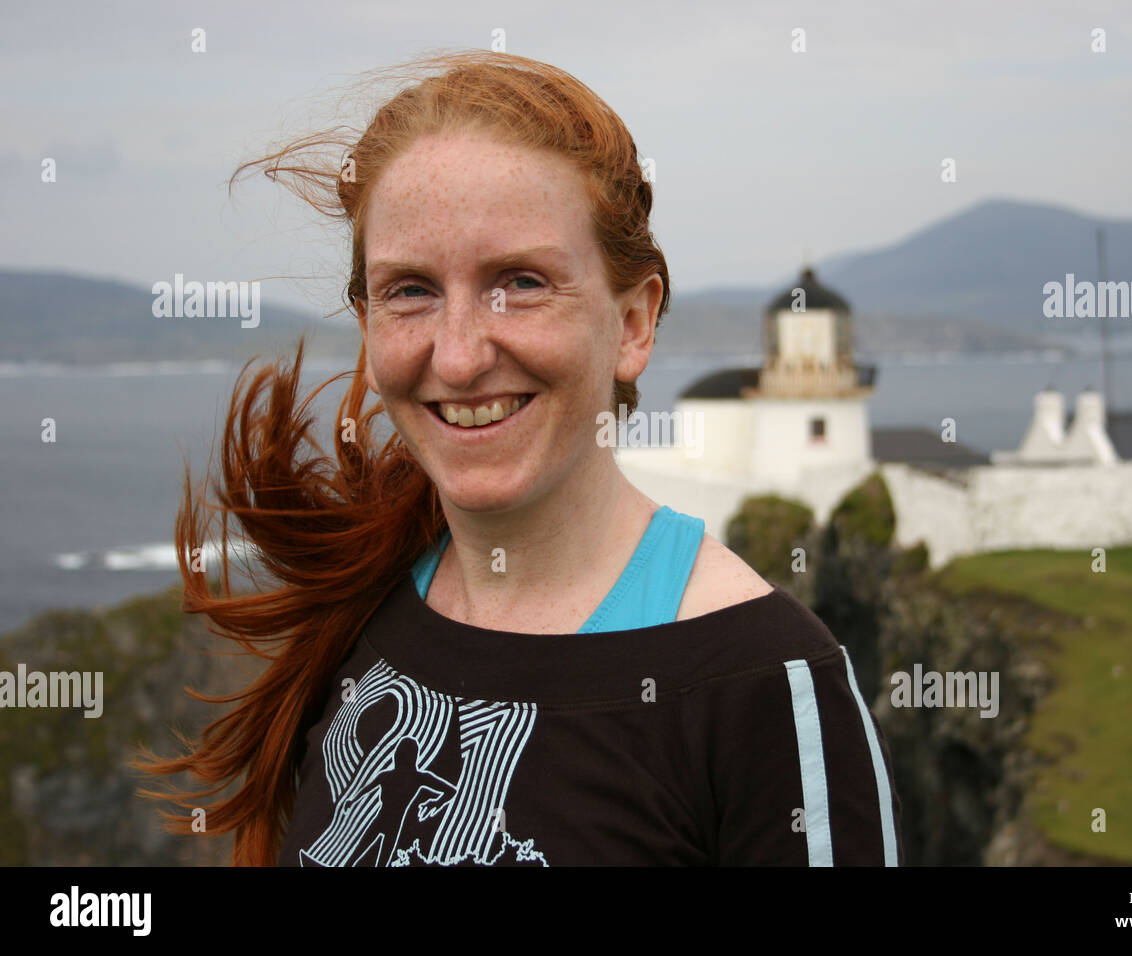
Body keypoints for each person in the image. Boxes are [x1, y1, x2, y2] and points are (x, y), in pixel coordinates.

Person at [136, 49, 902, 867]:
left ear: (635, 323)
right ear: (366, 326)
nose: (460, 357)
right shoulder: (356, 609)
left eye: (522, 282)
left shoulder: (762, 684)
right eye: (411, 290)